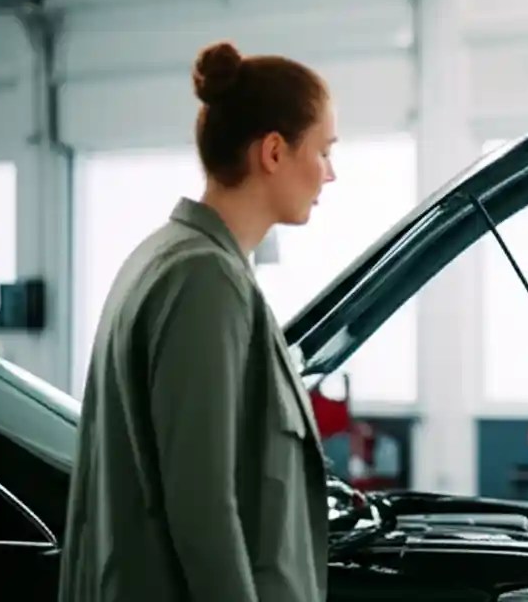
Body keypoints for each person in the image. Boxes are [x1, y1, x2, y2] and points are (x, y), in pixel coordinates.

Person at [59, 40, 338, 602]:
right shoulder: (204, 282)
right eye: (325, 150)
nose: (331, 174)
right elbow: (203, 505)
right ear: (275, 152)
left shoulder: (171, 259)